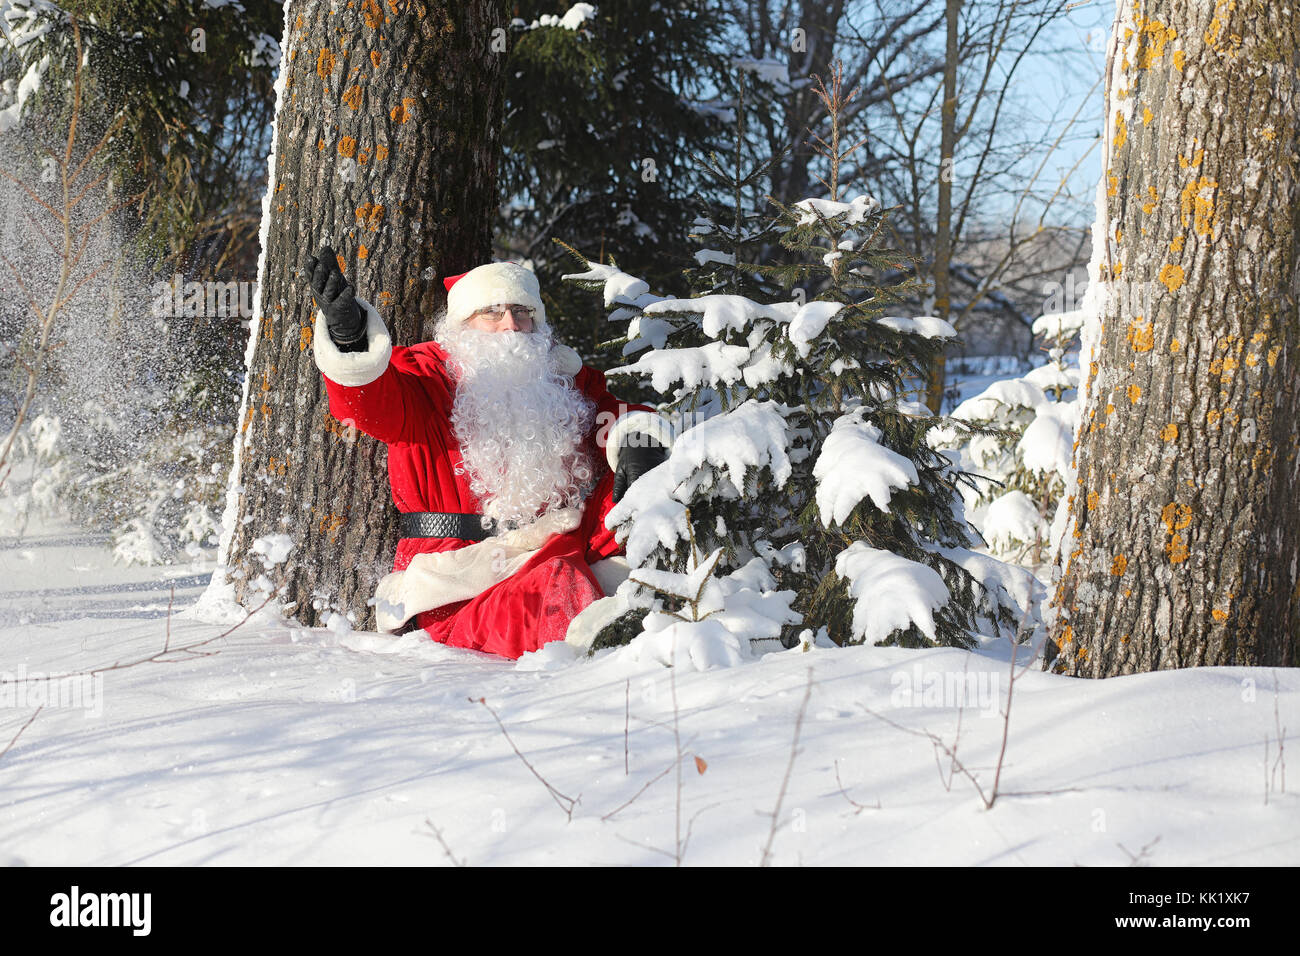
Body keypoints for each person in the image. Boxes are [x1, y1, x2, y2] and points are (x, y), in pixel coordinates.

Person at [304, 245, 671, 659]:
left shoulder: (562, 378)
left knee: (647, 506)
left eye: (522, 312)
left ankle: (663, 601)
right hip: (461, 577)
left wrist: (640, 440)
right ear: (463, 324)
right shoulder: (424, 375)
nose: (511, 325)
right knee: (549, 593)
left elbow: (615, 414)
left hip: (556, 545)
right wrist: (350, 339)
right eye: (492, 313)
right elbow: (370, 403)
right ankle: (611, 636)